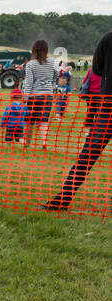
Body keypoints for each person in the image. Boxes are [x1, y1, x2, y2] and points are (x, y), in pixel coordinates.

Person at [43, 28, 112, 211]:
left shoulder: (108, 39)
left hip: (107, 107)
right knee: (87, 155)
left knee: (87, 156)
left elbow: (97, 69)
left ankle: (63, 200)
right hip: (106, 108)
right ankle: (62, 200)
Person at [21, 39, 58, 151]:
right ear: (46, 50)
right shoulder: (52, 61)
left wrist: (26, 97)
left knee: (29, 119)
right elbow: (56, 74)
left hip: (34, 95)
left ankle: (27, 143)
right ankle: (44, 142)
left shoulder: (30, 64)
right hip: (48, 94)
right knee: (43, 119)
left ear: (34, 50)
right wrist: (49, 80)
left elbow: (29, 82)